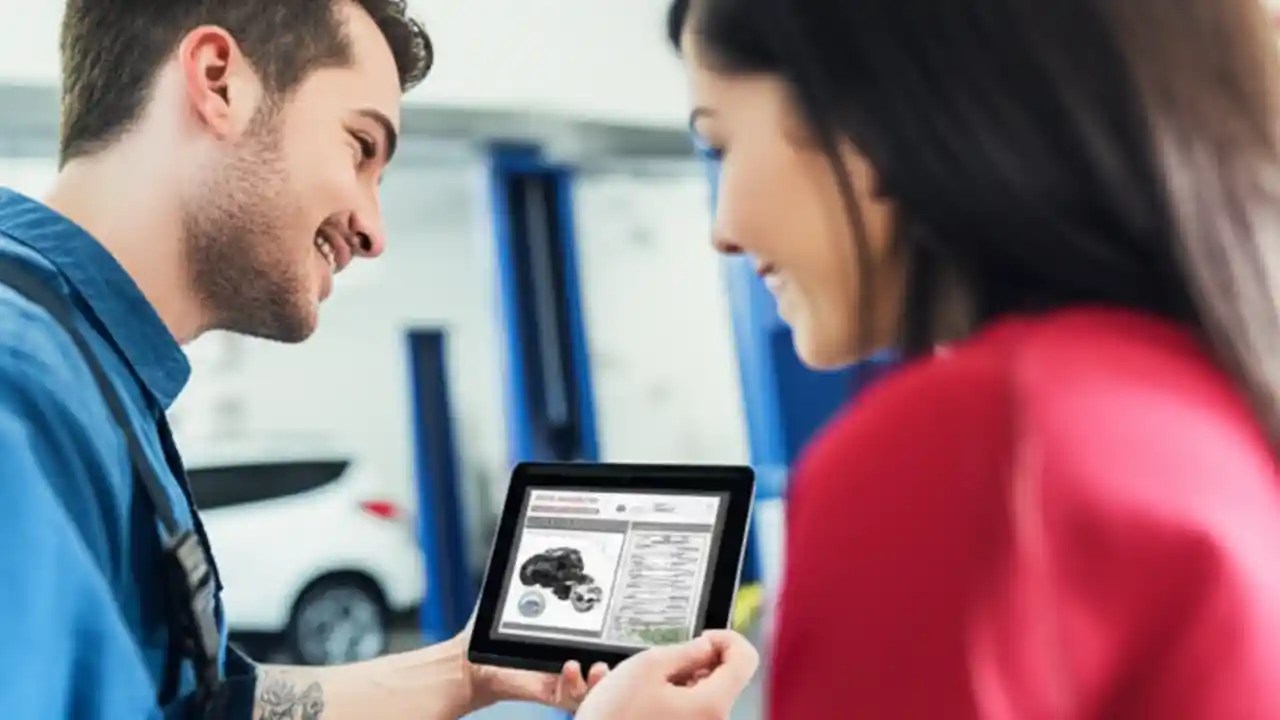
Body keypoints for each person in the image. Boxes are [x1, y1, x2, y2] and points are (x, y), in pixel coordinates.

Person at [0, 0, 757, 718]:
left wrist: (467, 671)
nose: (373, 229)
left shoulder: (87, 373)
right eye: (360, 147)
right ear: (217, 80)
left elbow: (199, 705)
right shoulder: (20, 383)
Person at [668, 0, 1280, 716]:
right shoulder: (1198, 391)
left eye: (723, 147)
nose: (724, 231)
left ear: (865, 115)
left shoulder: (976, 442)